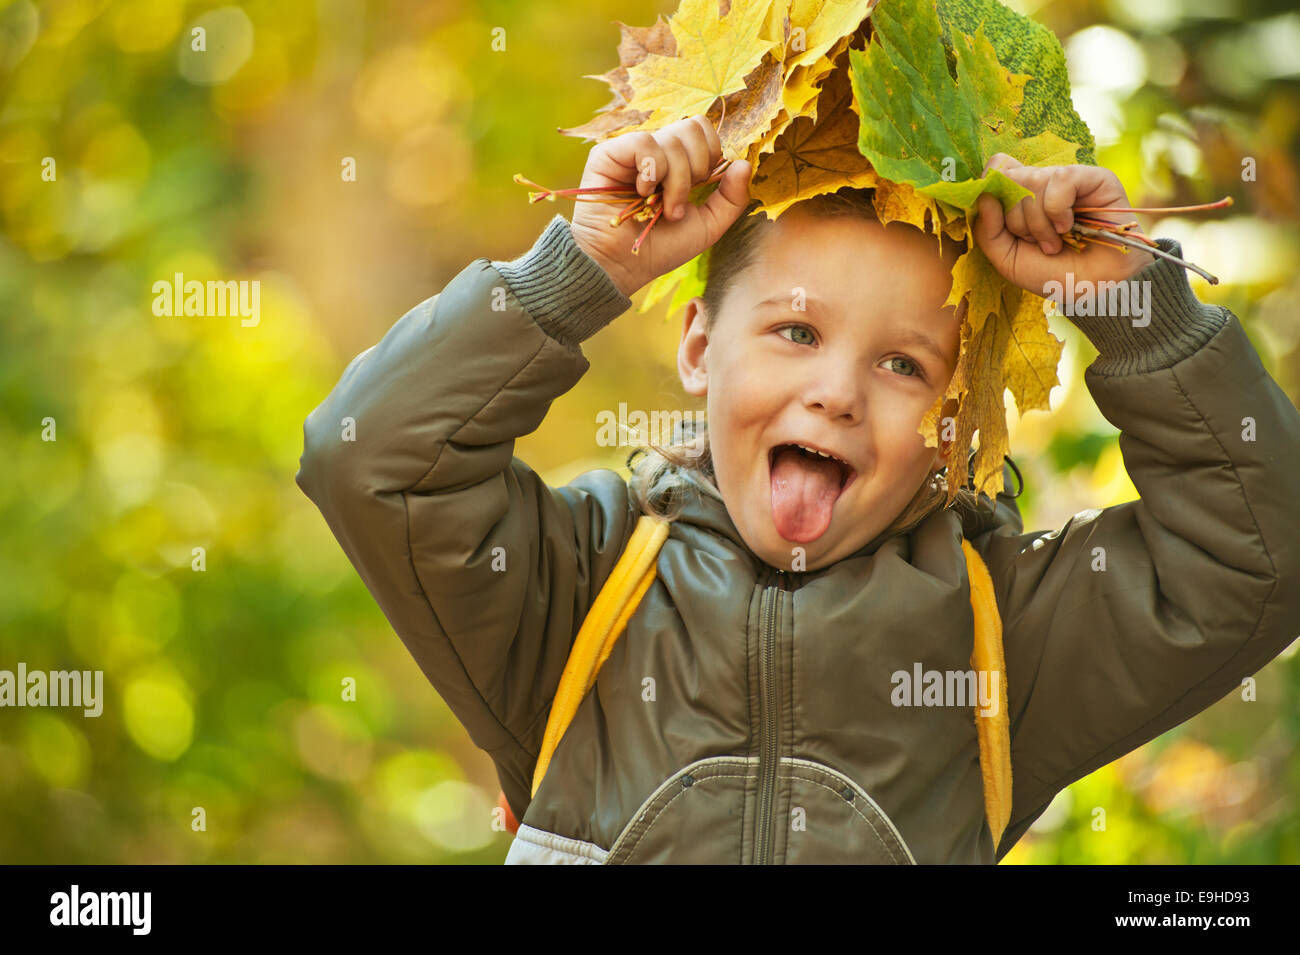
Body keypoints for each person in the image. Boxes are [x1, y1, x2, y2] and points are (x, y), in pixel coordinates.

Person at [295, 115, 1300, 863]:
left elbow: (1260, 557)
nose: (835, 393)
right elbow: (371, 455)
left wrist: (1134, 308)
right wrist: (582, 269)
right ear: (697, 345)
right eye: (795, 332)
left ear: (957, 414)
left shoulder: (1007, 640)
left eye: (904, 365)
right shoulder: (576, 587)